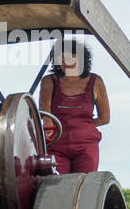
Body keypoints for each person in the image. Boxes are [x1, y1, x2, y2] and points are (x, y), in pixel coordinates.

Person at [38, 39, 110, 174]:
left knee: (85, 183)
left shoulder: (96, 81)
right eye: (61, 58)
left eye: (70, 57)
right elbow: (45, 113)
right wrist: (52, 129)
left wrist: (82, 127)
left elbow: (105, 118)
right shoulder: (49, 81)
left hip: (86, 145)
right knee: (56, 183)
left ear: (82, 58)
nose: (65, 62)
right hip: (56, 144)